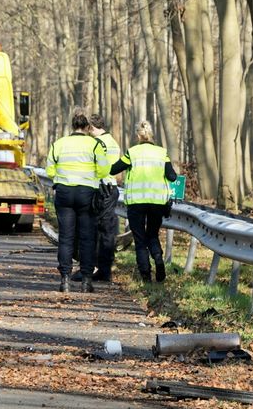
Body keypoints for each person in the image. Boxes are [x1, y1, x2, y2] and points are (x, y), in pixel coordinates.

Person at [45, 109, 110, 292]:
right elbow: (104, 170)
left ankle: (65, 279)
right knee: (87, 238)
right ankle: (86, 281)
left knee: (66, 237)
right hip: (86, 194)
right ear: (87, 127)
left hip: (64, 193)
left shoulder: (59, 144)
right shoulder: (94, 144)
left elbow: (50, 171)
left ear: (72, 125)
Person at [110, 120, 177, 282]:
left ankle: (146, 276)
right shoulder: (162, 153)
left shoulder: (132, 153)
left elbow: (113, 169)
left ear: (137, 136)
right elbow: (172, 176)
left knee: (140, 239)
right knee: (152, 235)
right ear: (151, 134)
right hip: (157, 203)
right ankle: (158, 260)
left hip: (136, 203)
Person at [74, 114, 122, 283]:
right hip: (111, 188)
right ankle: (105, 269)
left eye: (88, 129)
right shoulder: (112, 141)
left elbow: (93, 166)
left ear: (91, 127)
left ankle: (92, 268)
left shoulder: (98, 143)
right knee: (107, 231)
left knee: (93, 230)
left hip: (101, 189)